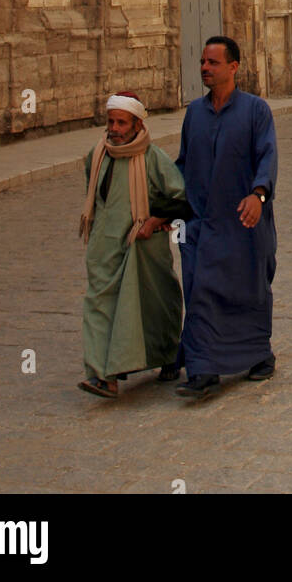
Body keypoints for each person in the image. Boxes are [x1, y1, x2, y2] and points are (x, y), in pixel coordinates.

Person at [174, 37, 278, 401]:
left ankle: (257, 355)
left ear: (233, 67)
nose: (205, 68)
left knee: (249, 291)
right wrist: (163, 209)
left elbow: (267, 158)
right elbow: (182, 166)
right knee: (201, 289)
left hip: (245, 224)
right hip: (203, 223)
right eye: (202, 61)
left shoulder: (255, 111)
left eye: (213, 62)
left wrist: (258, 195)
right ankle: (203, 368)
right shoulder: (194, 114)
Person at [78, 91, 191, 399]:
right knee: (99, 304)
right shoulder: (97, 155)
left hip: (143, 247)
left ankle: (167, 354)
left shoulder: (154, 159)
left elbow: (181, 200)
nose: (114, 129)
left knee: (154, 303)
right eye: (110, 122)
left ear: (137, 124)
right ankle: (104, 375)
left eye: (121, 123)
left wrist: (154, 221)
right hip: (104, 245)